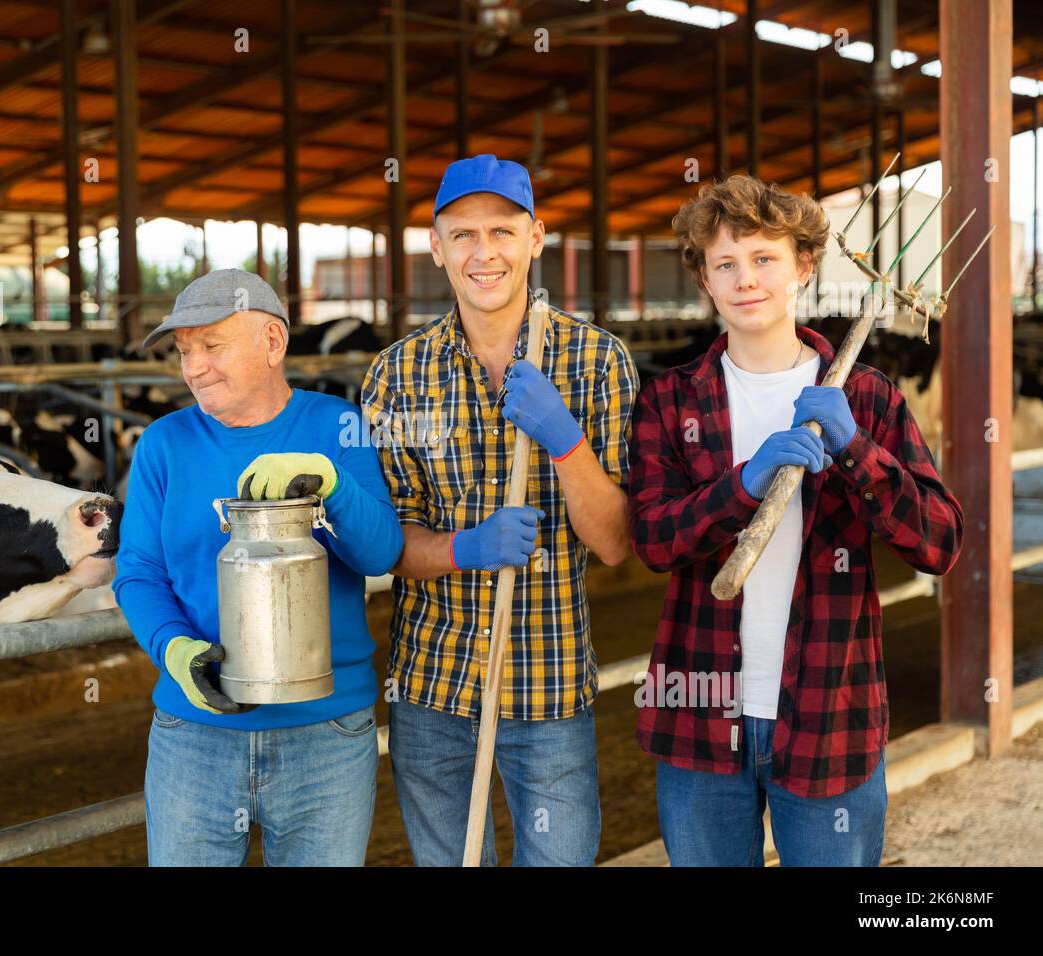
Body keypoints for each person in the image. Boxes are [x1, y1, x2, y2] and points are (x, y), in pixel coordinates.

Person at [629, 174, 964, 866]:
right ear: (705, 278)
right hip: (699, 720)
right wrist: (742, 485)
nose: (744, 279)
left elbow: (940, 541)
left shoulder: (866, 398)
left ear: (803, 267)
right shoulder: (671, 400)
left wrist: (857, 451)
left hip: (828, 718)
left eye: (764, 259)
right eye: (724, 263)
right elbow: (653, 541)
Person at [361, 154, 638, 866]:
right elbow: (387, 544)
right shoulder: (397, 375)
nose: (484, 253)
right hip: (431, 688)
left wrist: (565, 441)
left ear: (536, 237)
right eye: (463, 235)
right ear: (436, 246)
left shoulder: (596, 362)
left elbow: (613, 544)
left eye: (503, 231)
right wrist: (465, 548)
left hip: (548, 685)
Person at [113, 268, 403, 866]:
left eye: (212, 345)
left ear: (273, 342)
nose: (193, 368)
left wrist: (331, 482)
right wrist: (172, 650)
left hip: (326, 732)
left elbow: (381, 554)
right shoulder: (163, 444)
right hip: (195, 732)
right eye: (185, 351)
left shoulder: (338, 426)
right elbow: (138, 570)